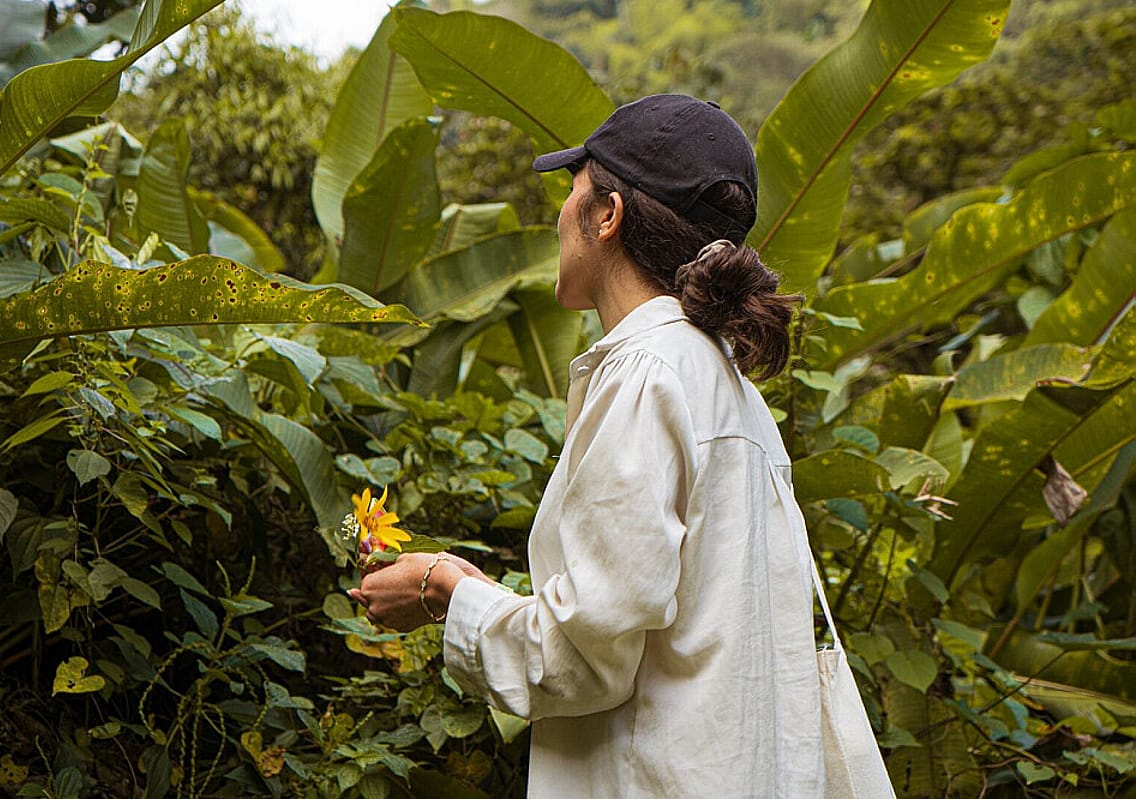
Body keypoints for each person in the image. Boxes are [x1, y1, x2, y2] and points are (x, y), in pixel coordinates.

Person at [350, 94, 825, 797]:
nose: (560, 213)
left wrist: (445, 588)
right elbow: (649, 627)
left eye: (573, 188)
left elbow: (580, 659)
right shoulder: (731, 390)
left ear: (607, 216)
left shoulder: (647, 374)